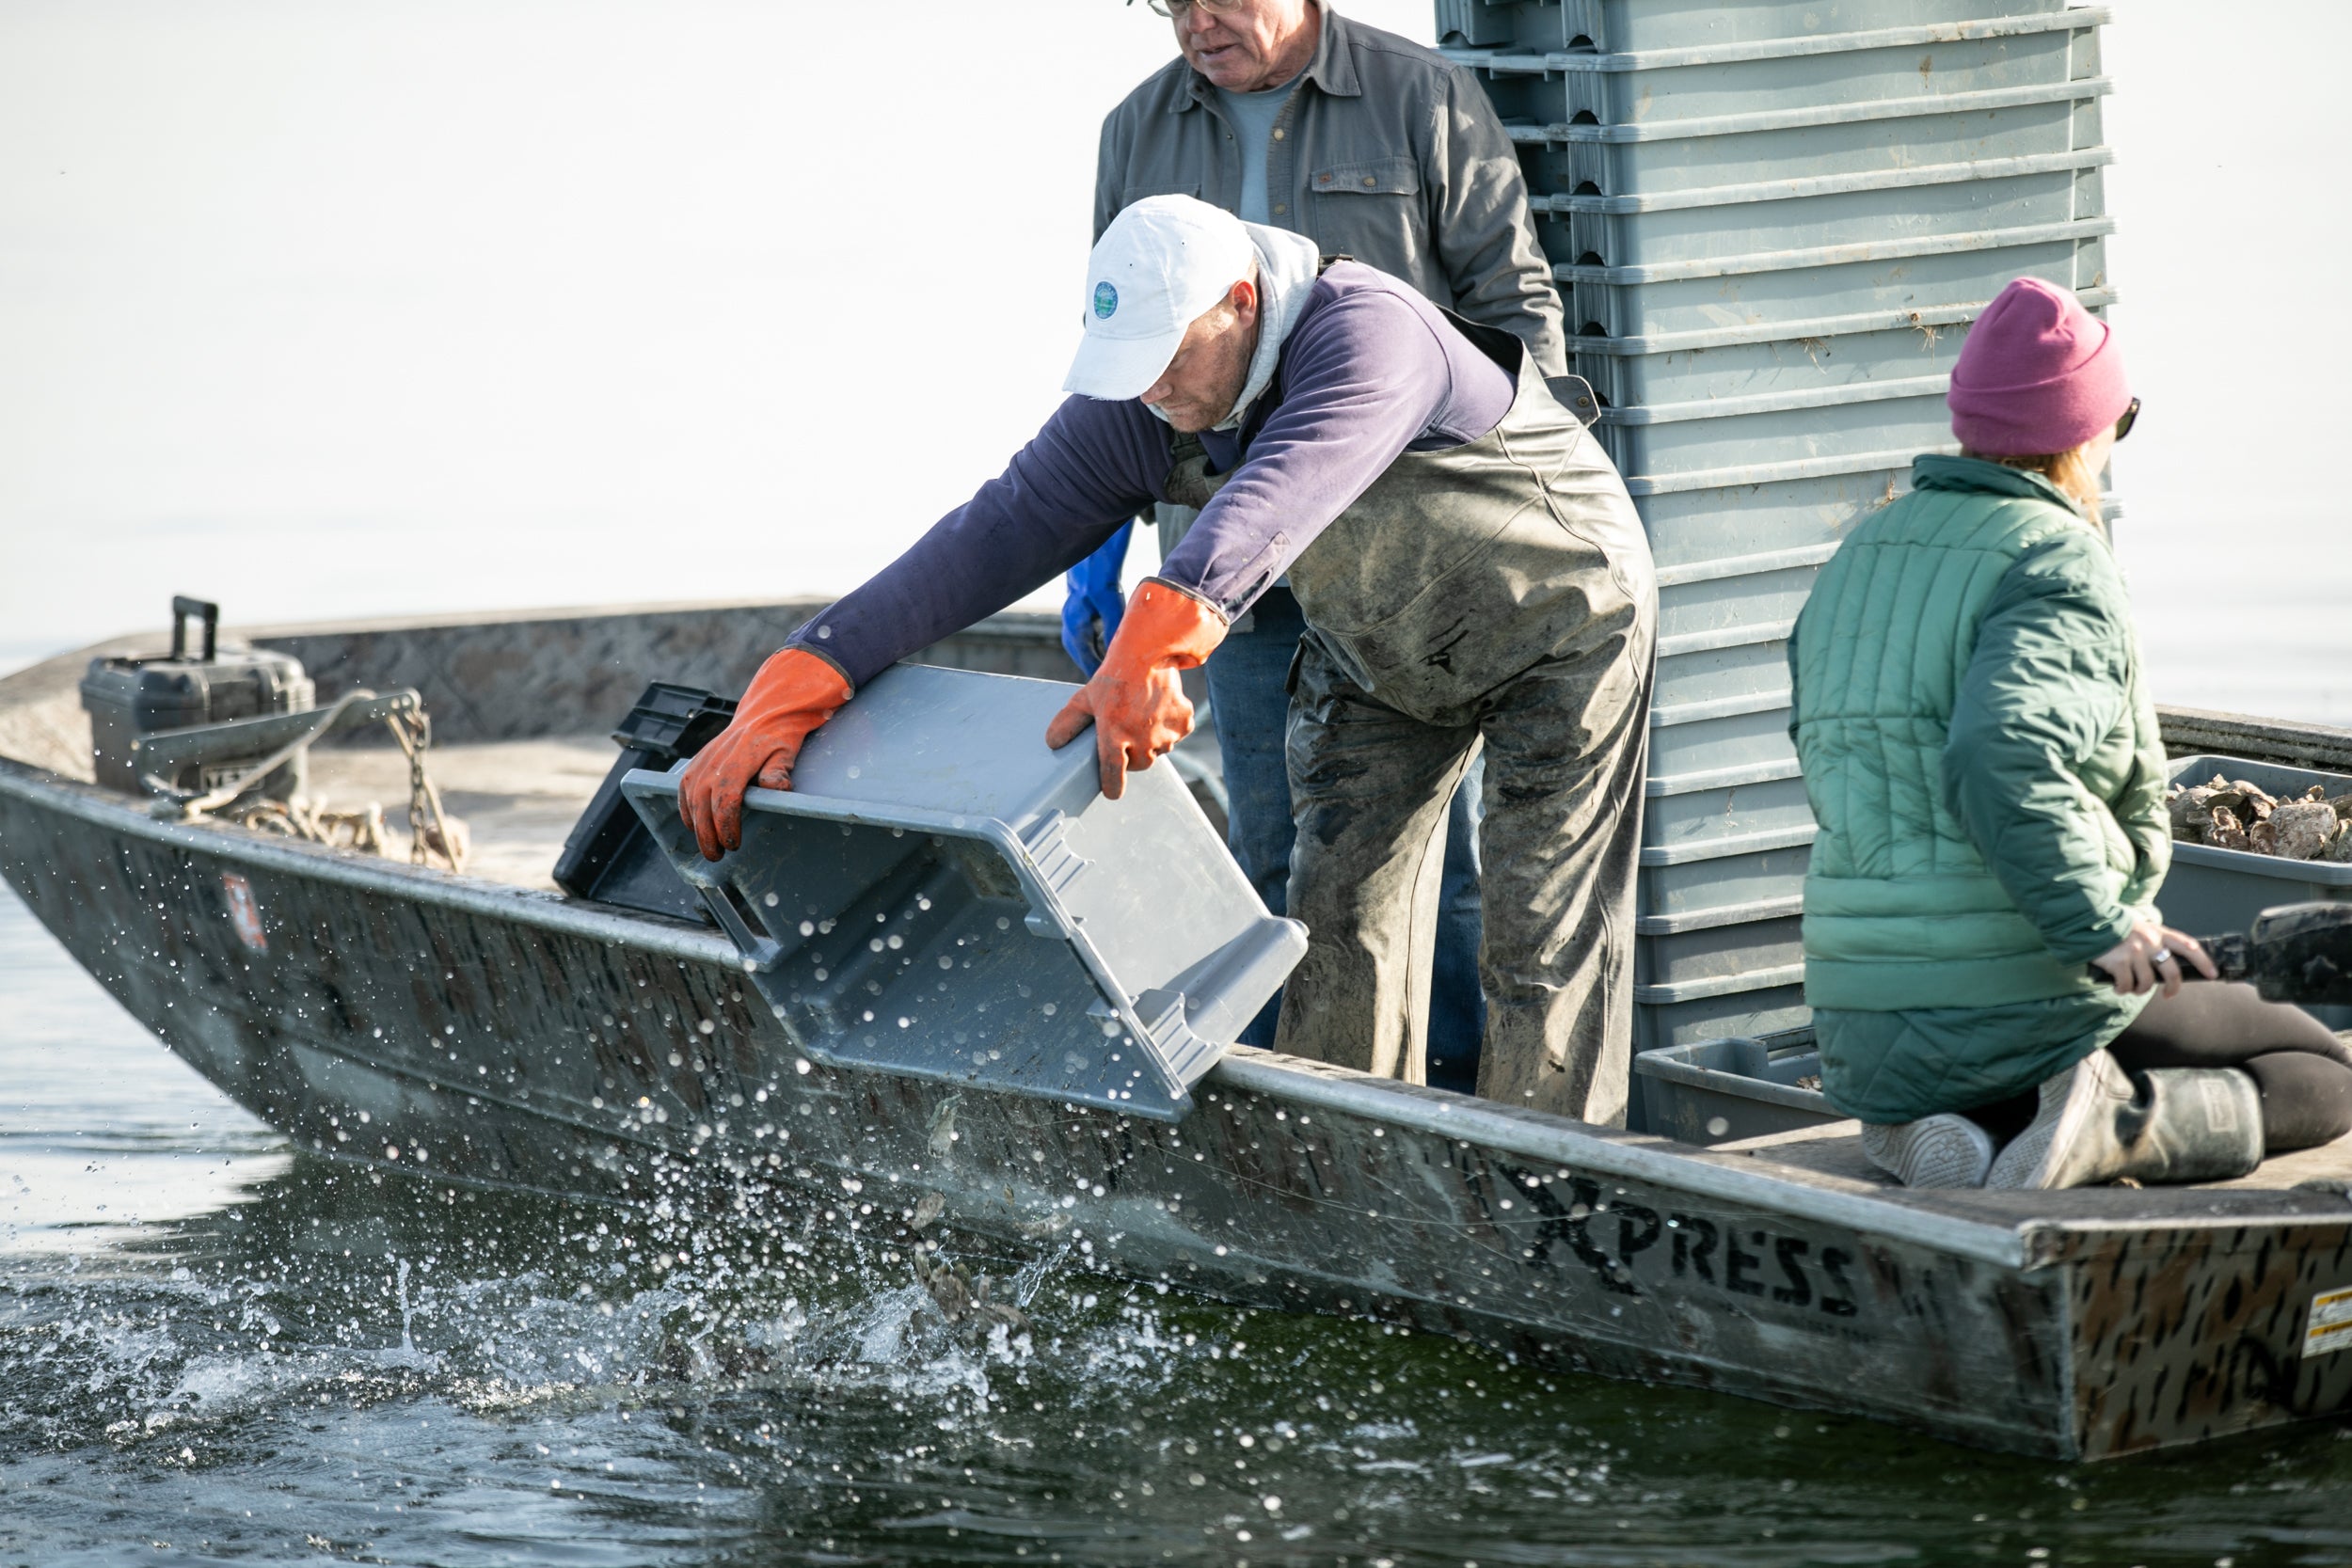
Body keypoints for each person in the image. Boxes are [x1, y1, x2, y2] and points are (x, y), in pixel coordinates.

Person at [679, 196, 1656, 1124]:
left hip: (1555, 623)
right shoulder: (1149, 401)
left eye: (1170, 356)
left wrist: (1150, 645)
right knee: (1334, 920)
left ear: (1241, 302)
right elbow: (996, 530)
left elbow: (1276, 493)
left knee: (1540, 934)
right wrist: (807, 673)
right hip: (1377, 647)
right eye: (1132, 364)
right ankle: (1348, 1169)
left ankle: (1552, 1194)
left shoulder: (1369, 334)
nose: (1153, 387)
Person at [1064, 0, 1571, 1077]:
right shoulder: (1133, 128)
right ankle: (1302, 1105)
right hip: (1231, 574)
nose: (1195, 21)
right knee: (1275, 851)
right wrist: (1096, 551)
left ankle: (1452, 1099)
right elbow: (1117, 342)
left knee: (1438, 859)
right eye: (1169, 1)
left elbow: (1514, 305)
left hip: (1408, 563)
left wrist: (1523, 504)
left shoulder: (1423, 97)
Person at [1788, 277, 2352, 1191]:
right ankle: (2104, 1129)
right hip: (2018, 994)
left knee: (2012, 1055)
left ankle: (1938, 1128)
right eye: (2120, 418)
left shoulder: (1864, 552)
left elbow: (1845, 762)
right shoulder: (2055, 558)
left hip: (1861, 1015)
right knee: (2319, 1073)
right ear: (2084, 431)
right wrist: (2100, 922)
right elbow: (1998, 753)